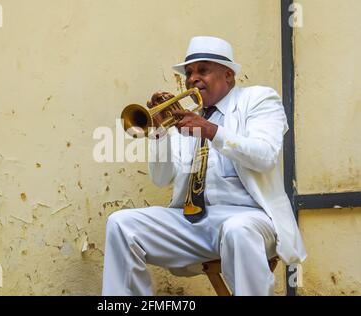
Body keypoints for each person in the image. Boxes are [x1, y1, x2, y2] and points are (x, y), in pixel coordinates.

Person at [102, 36, 306, 296]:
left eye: (203, 70)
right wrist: (159, 134)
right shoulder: (187, 117)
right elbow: (161, 178)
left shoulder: (259, 99)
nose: (192, 79)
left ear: (228, 76)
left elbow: (264, 156)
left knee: (237, 229)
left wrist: (212, 131)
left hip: (252, 219)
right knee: (121, 223)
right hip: (193, 222)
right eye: (188, 73)